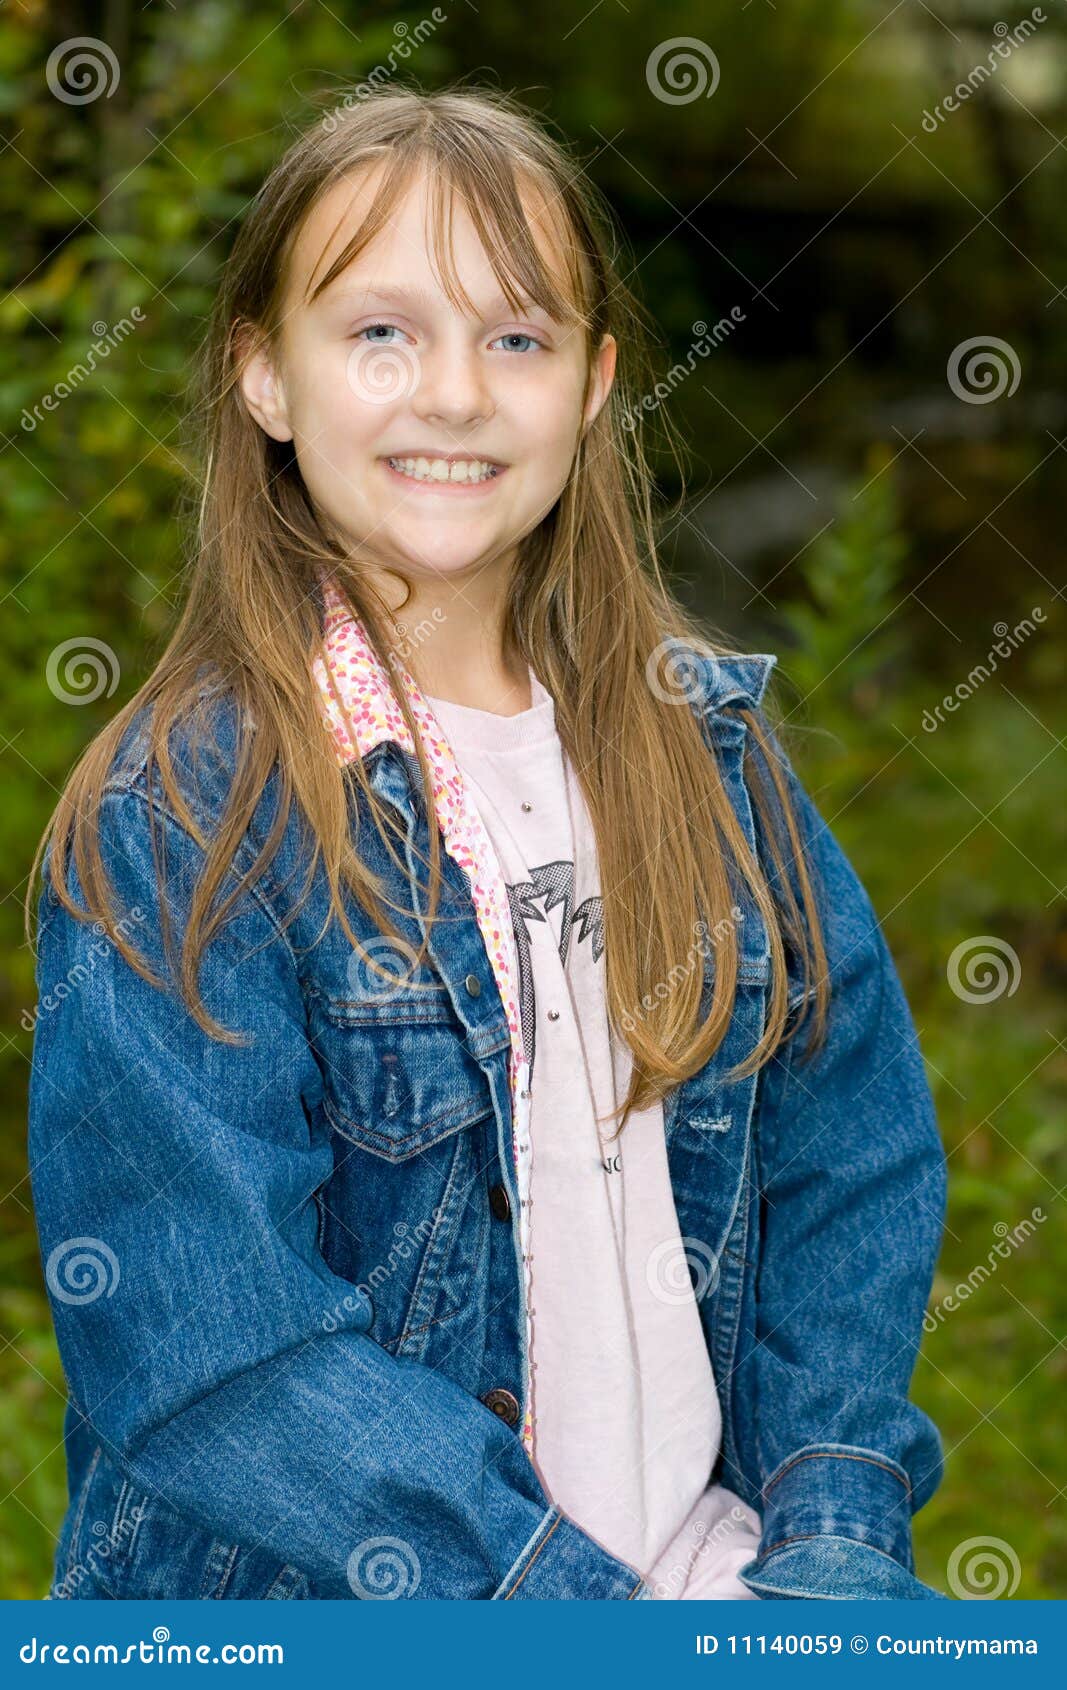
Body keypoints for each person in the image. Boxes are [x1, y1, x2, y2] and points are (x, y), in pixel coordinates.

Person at [27, 83, 948, 1602]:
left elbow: (848, 1154)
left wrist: (831, 1520)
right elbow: (208, 1338)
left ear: (591, 386)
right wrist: (556, 1611)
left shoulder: (699, 752)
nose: (453, 394)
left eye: (515, 338)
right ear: (264, 374)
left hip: (710, 1582)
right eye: (380, 332)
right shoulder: (188, 817)